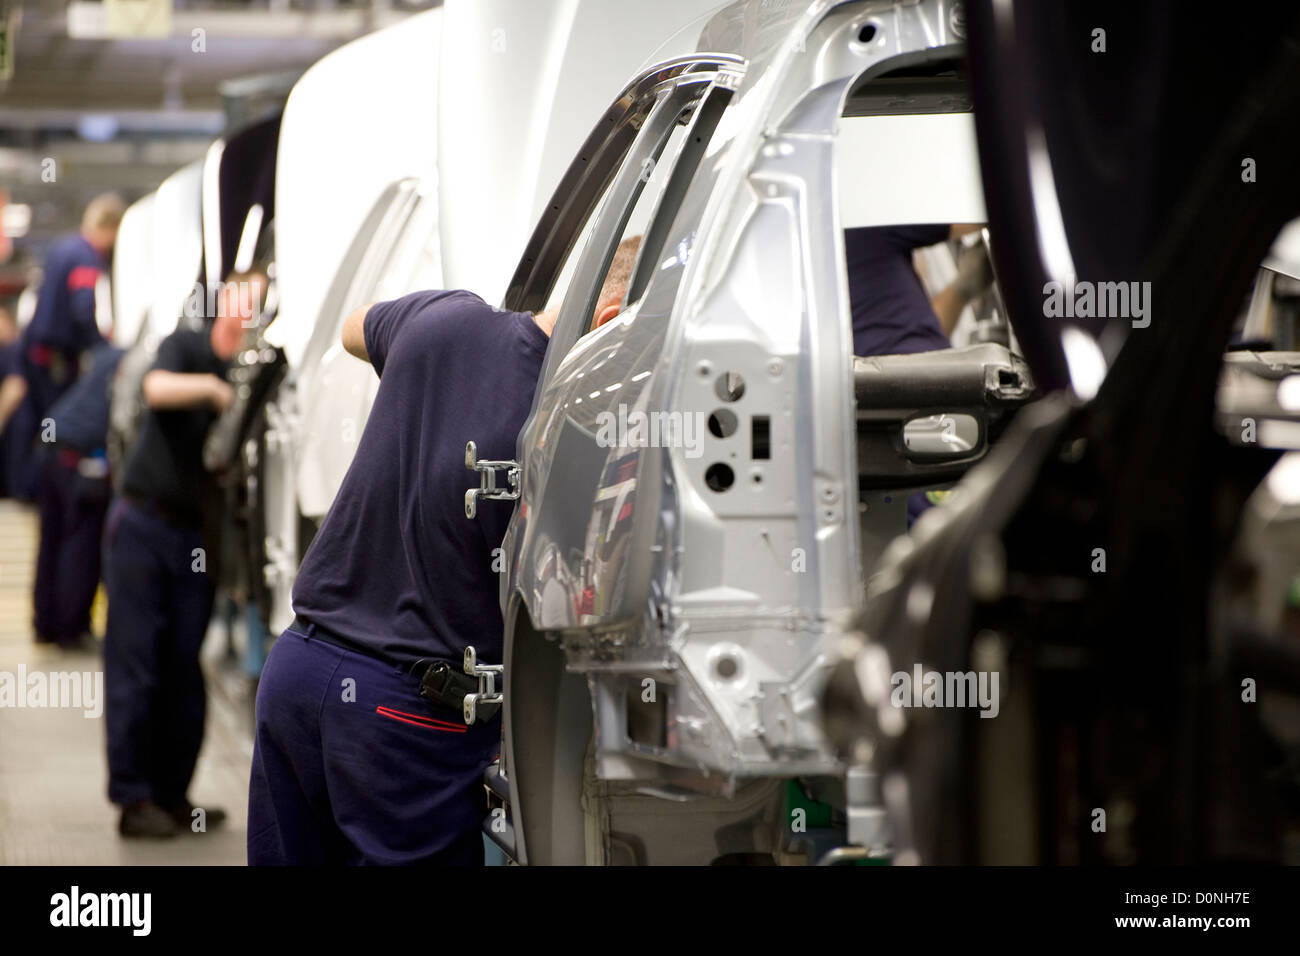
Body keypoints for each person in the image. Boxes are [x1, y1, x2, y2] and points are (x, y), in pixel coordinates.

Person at [247, 237, 641, 866]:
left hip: (295, 674)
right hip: (401, 722)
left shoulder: (445, 316)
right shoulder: (564, 429)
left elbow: (354, 330)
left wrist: (416, 369)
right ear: (607, 322)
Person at [103, 270, 261, 839]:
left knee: (181, 669)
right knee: (136, 664)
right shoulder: (188, 344)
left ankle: (173, 796)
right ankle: (133, 799)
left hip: (195, 539)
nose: (251, 311)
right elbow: (156, 389)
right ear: (225, 304)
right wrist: (218, 392)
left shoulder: (250, 370)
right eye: (246, 298)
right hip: (143, 525)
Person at [32, 340, 124, 649]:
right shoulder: (134, 367)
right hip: (76, 456)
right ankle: (69, 628)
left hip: (50, 446)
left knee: (51, 539)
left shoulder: (104, 357)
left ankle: (45, 623)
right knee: (80, 542)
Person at [20, 194, 123, 433]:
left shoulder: (63, 246)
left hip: (37, 349)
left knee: (40, 425)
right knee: (58, 428)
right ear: (110, 228)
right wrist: (102, 348)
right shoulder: (85, 257)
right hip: (57, 358)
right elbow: (83, 309)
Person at [845, 223, 991, 357]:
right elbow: (972, 215)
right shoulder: (870, 221)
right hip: (914, 374)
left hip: (907, 372)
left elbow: (908, 332)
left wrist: (960, 292)